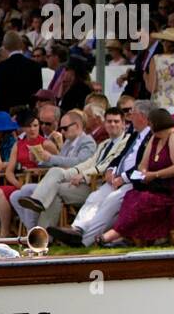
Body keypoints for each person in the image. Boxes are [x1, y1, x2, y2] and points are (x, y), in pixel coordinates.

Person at [49, 100, 155, 247]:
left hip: (134, 182)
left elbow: (143, 166)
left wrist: (123, 178)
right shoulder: (133, 135)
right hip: (117, 178)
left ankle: (84, 241)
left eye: (133, 113)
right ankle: (77, 229)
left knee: (110, 201)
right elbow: (120, 157)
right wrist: (111, 169)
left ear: (142, 116)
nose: (130, 116)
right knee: (95, 196)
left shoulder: (152, 137)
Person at [100, 109, 174, 246]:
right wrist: (143, 172)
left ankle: (110, 236)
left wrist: (154, 175)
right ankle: (127, 237)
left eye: (150, 123)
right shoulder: (155, 138)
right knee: (132, 196)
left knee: (145, 201)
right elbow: (143, 164)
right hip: (161, 187)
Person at [13, 108, 125, 230]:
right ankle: (39, 233)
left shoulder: (88, 142)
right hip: (71, 181)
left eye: (65, 128)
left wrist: (52, 159)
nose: (62, 131)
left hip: (91, 184)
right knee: (19, 194)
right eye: (109, 121)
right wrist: (40, 161)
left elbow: (79, 162)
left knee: (39, 188)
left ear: (76, 126)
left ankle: (38, 229)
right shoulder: (101, 144)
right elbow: (81, 163)